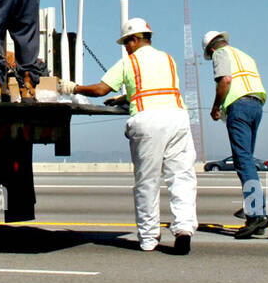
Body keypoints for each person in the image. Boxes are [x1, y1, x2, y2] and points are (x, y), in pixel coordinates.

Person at [62, 18, 198, 253]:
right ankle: (184, 230)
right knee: (182, 177)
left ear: (134, 39)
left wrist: (73, 88)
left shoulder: (129, 62)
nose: (125, 47)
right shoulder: (168, 59)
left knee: (147, 181)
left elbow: (100, 90)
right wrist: (124, 98)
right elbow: (154, 87)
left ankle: (148, 238)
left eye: (126, 42)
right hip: (178, 118)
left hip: (148, 121)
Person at [203, 30, 268, 238]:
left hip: (239, 107)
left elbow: (225, 80)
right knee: (248, 161)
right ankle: (256, 210)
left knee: (242, 161)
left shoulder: (220, 54)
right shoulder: (245, 56)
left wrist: (216, 107)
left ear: (212, 48)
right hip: (256, 105)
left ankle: (255, 215)